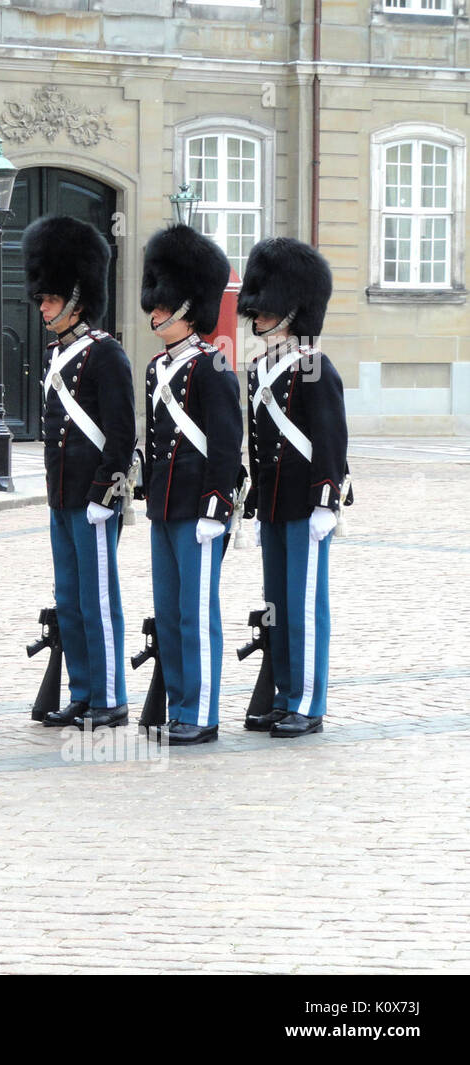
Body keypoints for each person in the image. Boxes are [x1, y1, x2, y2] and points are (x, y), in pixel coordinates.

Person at [22, 216, 135, 731]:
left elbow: (120, 434)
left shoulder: (106, 354)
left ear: (75, 298)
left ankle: (110, 696)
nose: (41, 308)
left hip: (91, 500)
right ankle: (84, 691)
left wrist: (104, 493)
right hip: (61, 497)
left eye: (49, 299)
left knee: (98, 600)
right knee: (69, 600)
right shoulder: (55, 354)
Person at [238, 237, 348, 738]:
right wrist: (256, 507)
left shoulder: (315, 367)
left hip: (306, 504)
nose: (256, 317)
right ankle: (284, 693)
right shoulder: (260, 369)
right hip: (276, 506)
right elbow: (259, 447)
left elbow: (330, 439)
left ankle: (307, 700)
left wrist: (328, 499)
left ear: (292, 309)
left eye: (267, 309)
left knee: (305, 608)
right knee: (278, 605)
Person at [139, 224, 241, 745]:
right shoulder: (158, 368)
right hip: (165, 508)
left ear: (186, 308)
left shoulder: (212, 366)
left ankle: (201, 713)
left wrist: (216, 507)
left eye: (162, 305)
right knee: (171, 613)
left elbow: (226, 445)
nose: (153, 313)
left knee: (197, 613)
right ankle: (179, 703)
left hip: (199, 510)